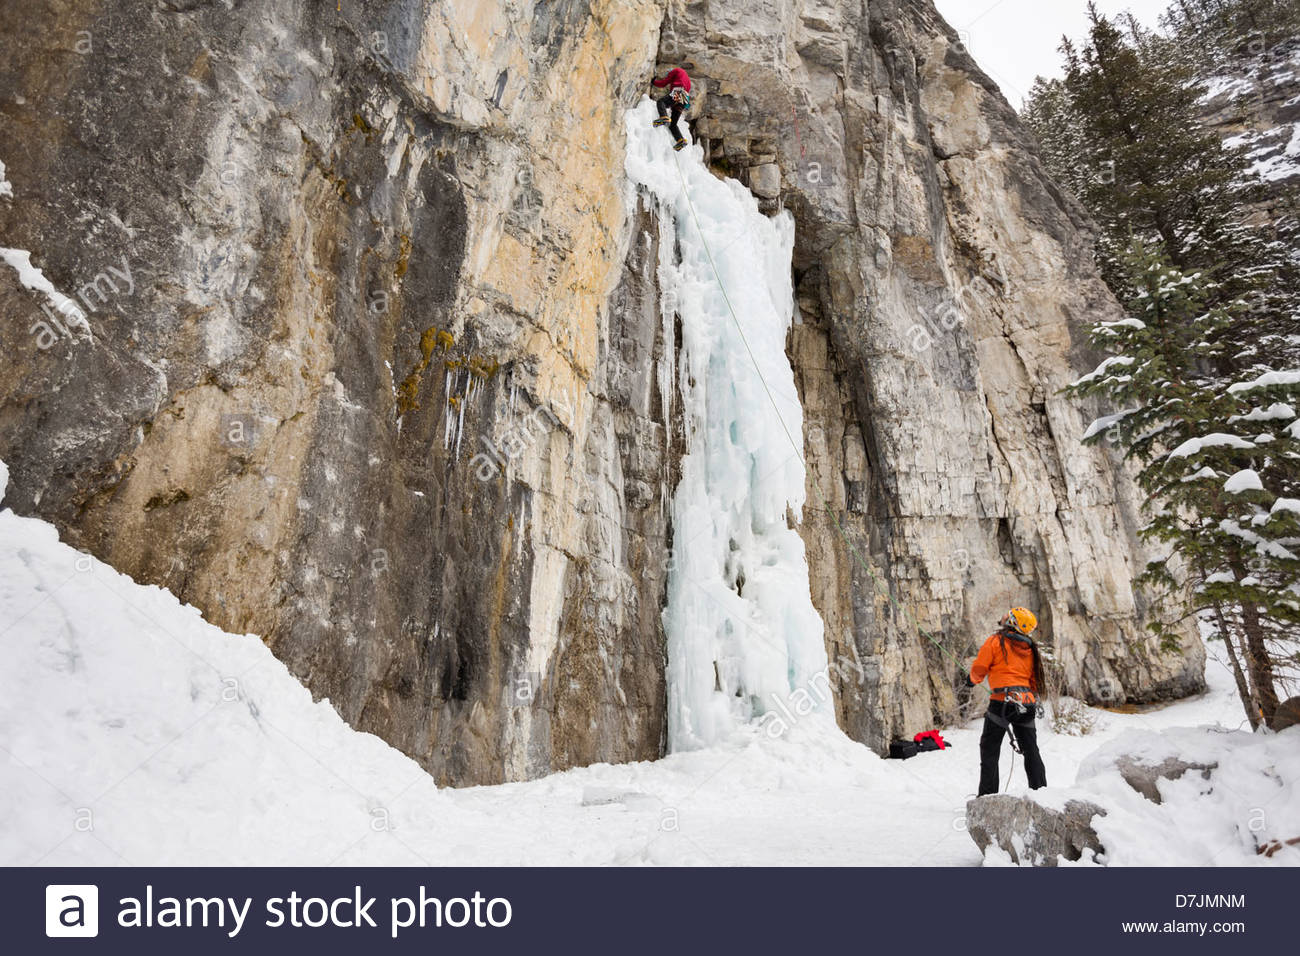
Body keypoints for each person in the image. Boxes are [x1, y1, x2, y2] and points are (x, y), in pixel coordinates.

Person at [967, 607, 1047, 796]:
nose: (1004, 616)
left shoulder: (996, 641)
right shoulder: (1031, 649)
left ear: (1011, 622)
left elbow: (980, 667)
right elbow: (1035, 680)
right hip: (1026, 702)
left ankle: (987, 797)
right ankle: (1042, 794)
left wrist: (972, 680)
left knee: (990, 750)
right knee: (1031, 751)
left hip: (1002, 702)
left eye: (1008, 615)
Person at [651, 67, 692, 151]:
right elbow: (676, 99)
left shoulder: (675, 71)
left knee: (661, 102)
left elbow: (664, 83)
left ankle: (663, 117)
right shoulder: (685, 78)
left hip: (679, 92)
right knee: (673, 124)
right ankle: (680, 140)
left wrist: (653, 82)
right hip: (684, 98)